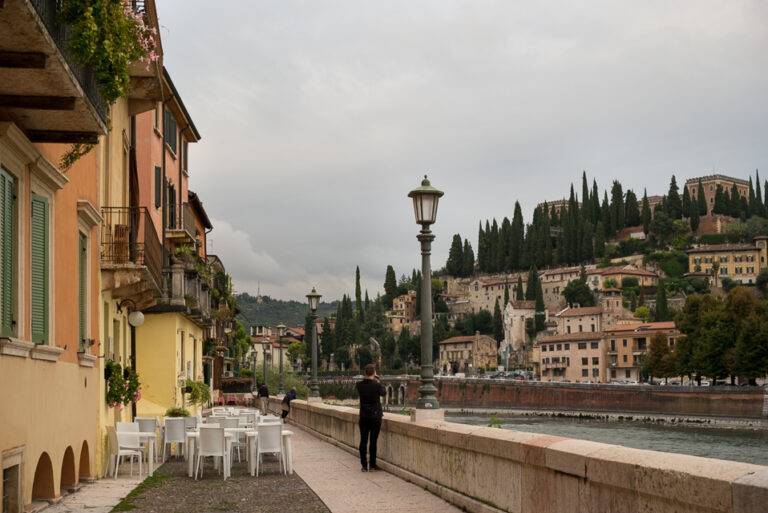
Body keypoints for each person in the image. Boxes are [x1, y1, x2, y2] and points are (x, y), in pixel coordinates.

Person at [356, 364, 386, 472]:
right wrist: (377, 381)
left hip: (364, 415)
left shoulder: (359, 385)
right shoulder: (376, 385)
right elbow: (383, 393)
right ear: (374, 373)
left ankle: (364, 465)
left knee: (363, 440)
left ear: (365, 373)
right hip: (375, 416)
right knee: (373, 441)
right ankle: (373, 465)